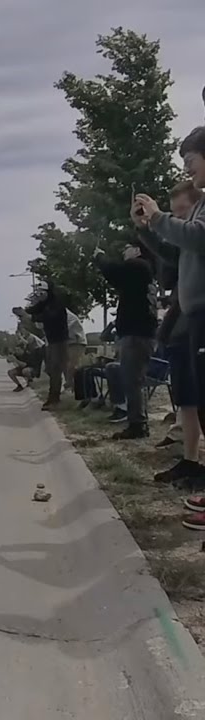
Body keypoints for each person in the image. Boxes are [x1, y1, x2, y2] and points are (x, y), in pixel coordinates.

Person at [134, 127, 205, 495]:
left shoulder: (199, 219)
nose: (187, 168)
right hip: (190, 319)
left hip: (196, 318)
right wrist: (148, 228)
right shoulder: (193, 223)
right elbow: (174, 253)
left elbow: (193, 238)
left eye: (191, 160)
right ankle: (192, 462)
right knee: (191, 400)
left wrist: (160, 219)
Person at [93, 241, 158, 439]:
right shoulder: (143, 271)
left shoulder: (137, 265)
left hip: (136, 334)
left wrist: (99, 257)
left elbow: (113, 272)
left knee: (132, 380)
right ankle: (136, 422)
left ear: (137, 250)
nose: (123, 252)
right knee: (132, 379)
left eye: (126, 248)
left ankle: (137, 425)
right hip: (140, 334)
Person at [24, 280, 70, 410]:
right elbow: (32, 310)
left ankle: (55, 399)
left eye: (42, 292)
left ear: (48, 292)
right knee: (50, 369)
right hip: (51, 341)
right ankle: (53, 397)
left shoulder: (56, 304)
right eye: (38, 292)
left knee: (55, 369)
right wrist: (24, 312)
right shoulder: (44, 304)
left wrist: (31, 317)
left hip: (60, 341)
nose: (39, 295)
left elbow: (48, 317)